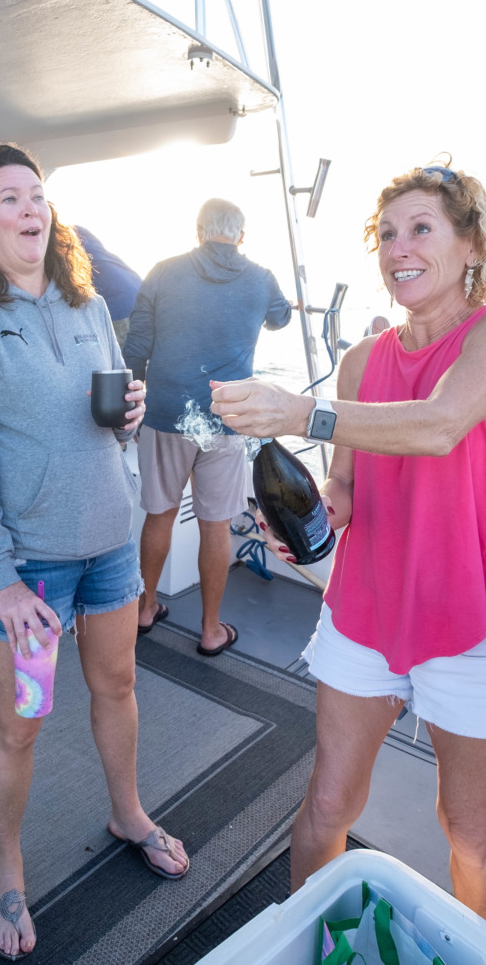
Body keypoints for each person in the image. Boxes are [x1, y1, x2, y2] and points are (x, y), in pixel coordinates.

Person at [211, 162, 486, 922]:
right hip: (365, 606)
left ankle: (470, 948)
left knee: (466, 828)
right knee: (329, 802)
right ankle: (303, 936)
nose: (401, 247)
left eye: (422, 228)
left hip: (473, 617)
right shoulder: (362, 361)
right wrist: (309, 514)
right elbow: (348, 490)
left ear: (471, 246)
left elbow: (438, 422)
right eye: (389, 234)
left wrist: (302, 412)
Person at [0, 144, 188, 961]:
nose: (30, 209)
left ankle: (128, 811)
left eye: (36, 195)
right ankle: (5, 868)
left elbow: (113, 415)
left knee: (117, 685)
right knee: (24, 724)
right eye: (9, 198)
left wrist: (127, 413)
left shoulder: (86, 305)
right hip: (30, 569)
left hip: (110, 546)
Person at [123, 198, 293, 653]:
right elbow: (281, 317)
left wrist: (130, 407)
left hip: (166, 414)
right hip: (225, 417)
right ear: (240, 234)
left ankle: (145, 608)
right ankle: (211, 629)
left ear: (199, 231)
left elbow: (136, 346)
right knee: (216, 525)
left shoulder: (162, 271)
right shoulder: (260, 277)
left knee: (158, 514)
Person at [73, 225, 141, 349]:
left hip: (120, 311)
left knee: (120, 360)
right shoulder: (78, 232)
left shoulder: (80, 261)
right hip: (140, 299)